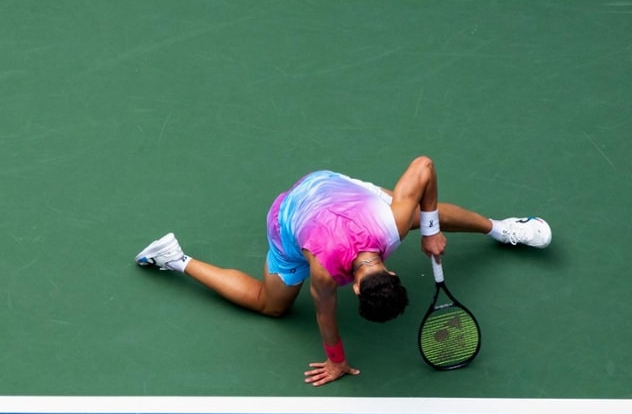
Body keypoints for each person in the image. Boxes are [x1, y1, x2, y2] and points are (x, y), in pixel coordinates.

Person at [135, 156, 551, 386]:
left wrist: (429, 231)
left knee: (419, 213)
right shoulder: (322, 272)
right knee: (271, 305)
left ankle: (502, 229)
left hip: (330, 186)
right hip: (289, 214)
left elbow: (425, 166)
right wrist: (335, 361)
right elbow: (324, 317)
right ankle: (177, 258)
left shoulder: (392, 226)